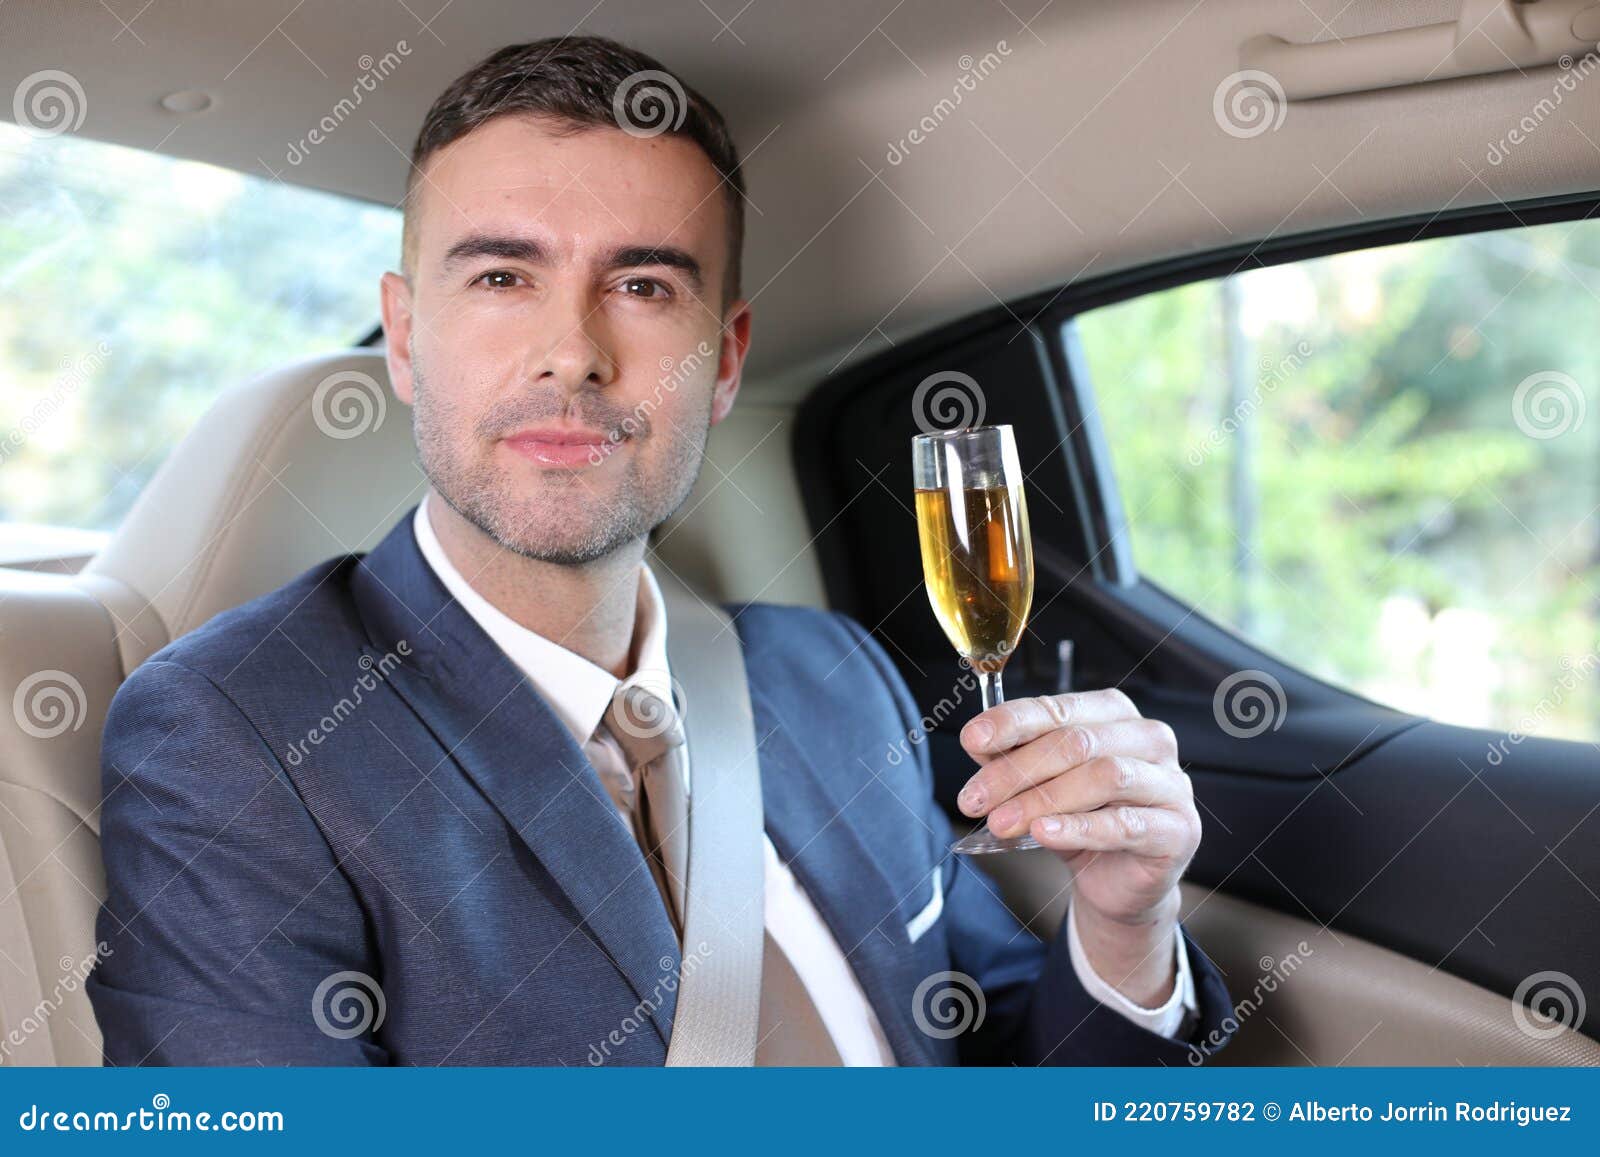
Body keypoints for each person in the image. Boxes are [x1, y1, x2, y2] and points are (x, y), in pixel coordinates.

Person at [87, 35, 1232, 1066]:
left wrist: (1125, 930)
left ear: (724, 359)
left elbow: (998, 1060)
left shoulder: (833, 680)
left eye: (640, 285)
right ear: (403, 335)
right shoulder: (233, 740)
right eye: (500, 277)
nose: (571, 353)